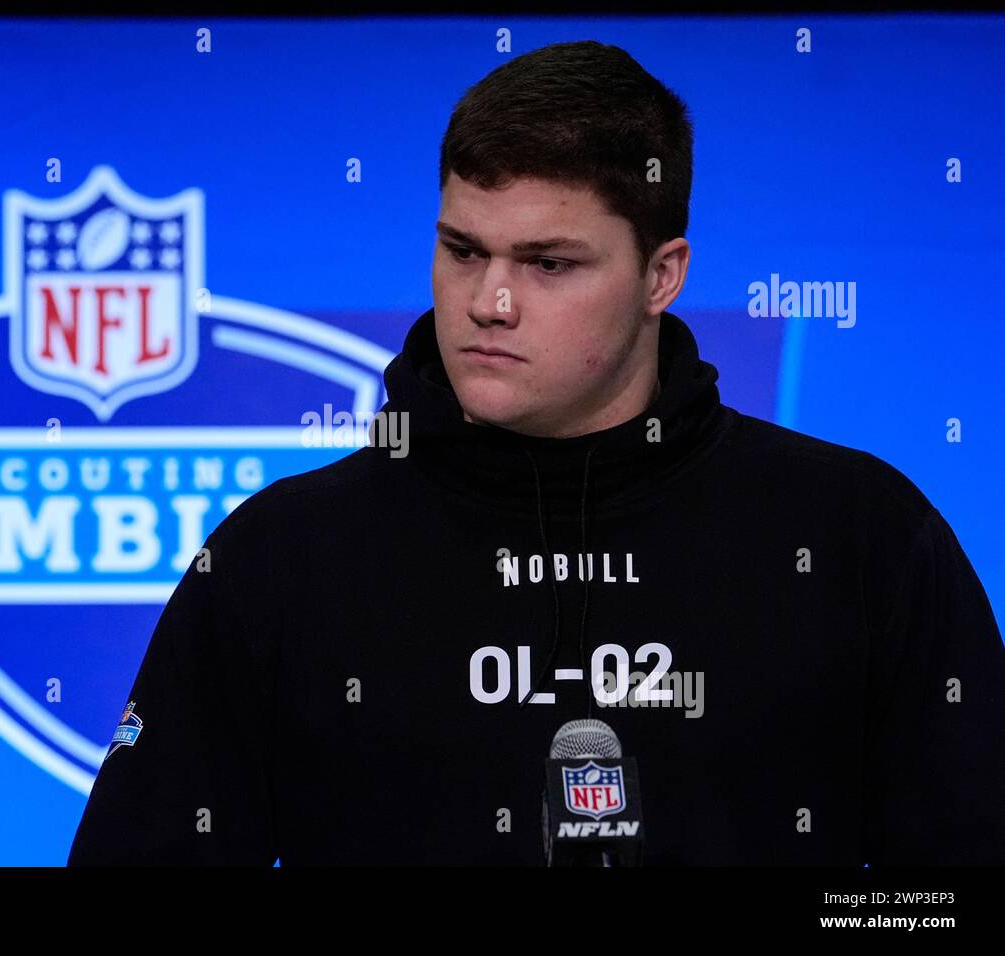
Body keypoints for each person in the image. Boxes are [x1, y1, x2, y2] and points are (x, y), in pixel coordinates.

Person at [68, 40, 1004, 865]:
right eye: (463, 251)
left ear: (662, 276)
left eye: (548, 264)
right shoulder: (281, 556)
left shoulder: (859, 537)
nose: (490, 302)